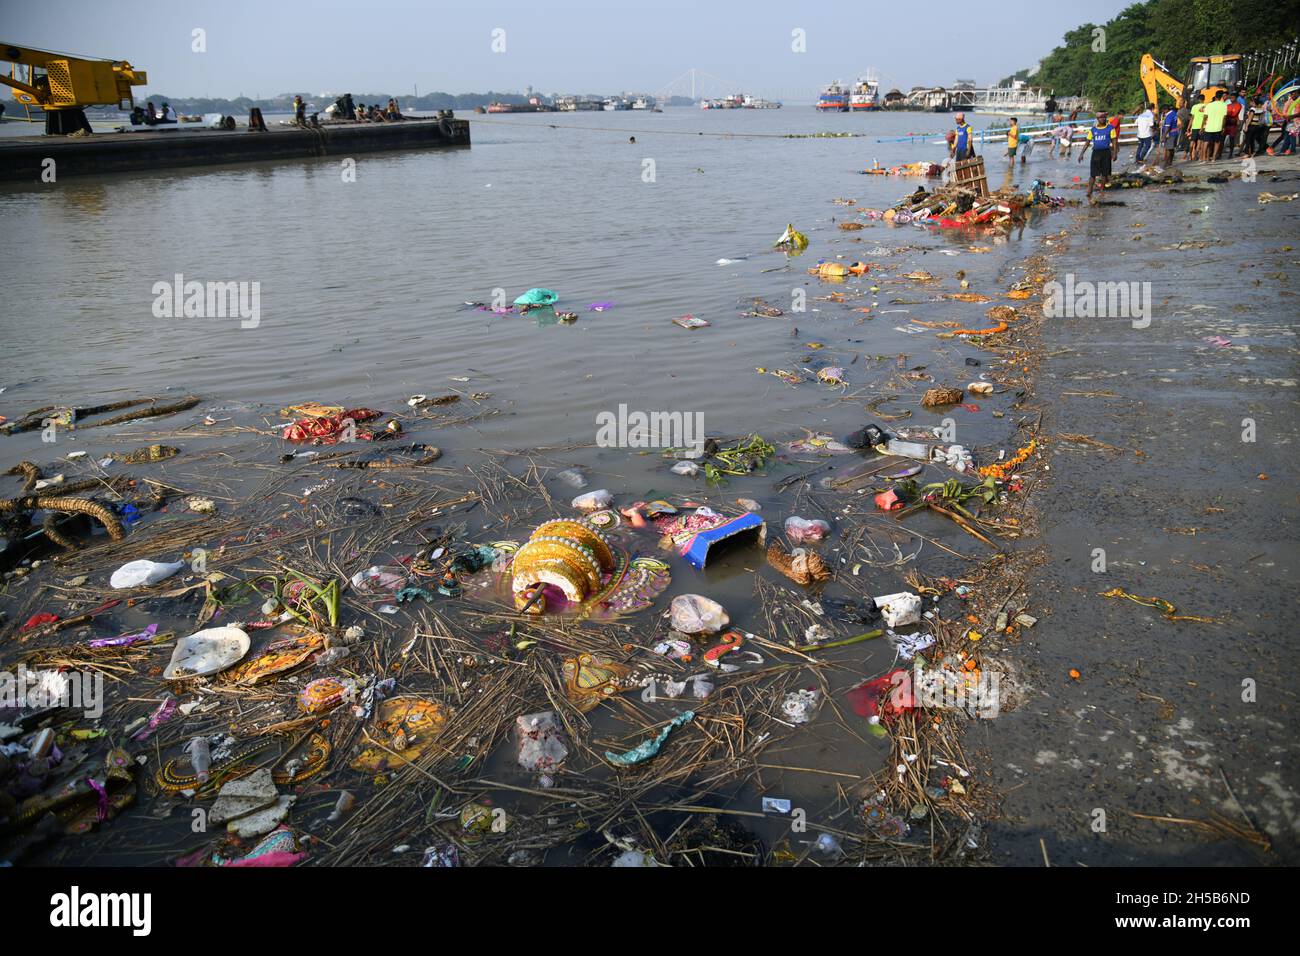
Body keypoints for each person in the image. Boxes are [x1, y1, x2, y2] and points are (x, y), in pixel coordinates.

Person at [1078, 109, 1117, 200]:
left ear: (1105, 118)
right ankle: (1089, 191)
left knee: (1104, 174)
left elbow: (1114, 141)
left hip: (1106, 152)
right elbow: (1087, 142)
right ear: (1097, 119)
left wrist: (1114, 153)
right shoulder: (1093, 129)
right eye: (1100, 118)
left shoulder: (1110, 128)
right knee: (1093, 174)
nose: (1102, 119)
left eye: (1103, 117)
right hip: (1096, 153)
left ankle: (1101, 190)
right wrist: (1081, 154)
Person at [1202, 89, 1228, 161]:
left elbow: (1205, 117)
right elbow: (1224, 117)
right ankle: (1213, 158)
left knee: (1206, 142)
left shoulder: (1209, 105)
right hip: (1218, 127)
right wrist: (1223, 127)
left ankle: (1204, 158)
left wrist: (1203, 126)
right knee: (1217, 143)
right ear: (1222, 97)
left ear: (1215, 96)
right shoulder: (1224, 105)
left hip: (1208, 127)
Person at [1161, 101, 1180, 165]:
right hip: (1175, 132)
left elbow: (1167, 128)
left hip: (1170, 134)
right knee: (1171, 149)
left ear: (1165, 110)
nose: (1162, 112)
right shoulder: (1174, 113)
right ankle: (1170, 162)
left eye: (1162, 111)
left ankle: (1168, 162)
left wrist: (1163, 137)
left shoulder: (1169, 116)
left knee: (1169, 149)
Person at [1189, 96, 1208, 161]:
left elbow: (1192, 117)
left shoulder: (1194, 107)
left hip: (1194, 126)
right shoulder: (1206, 106)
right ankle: (1196, 156)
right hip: (1202, 127)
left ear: (1198, 99)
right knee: (1199, 142)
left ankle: (1190, 155)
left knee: (1192, 141)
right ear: (1204, 99)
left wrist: (1189, 127)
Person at [1223, 92, 1242, 158]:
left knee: (1231, 139)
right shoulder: (1228, 105)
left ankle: (1230, 153)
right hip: (1226, 124)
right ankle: (1219, 153)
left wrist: (1228, 114)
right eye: (1230, 98)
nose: (1231, 99)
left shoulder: (1239, 105)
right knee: (1222, 139)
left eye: (1233, 98)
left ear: (1236, 98)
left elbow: (1234, 113)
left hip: (1233, 125)